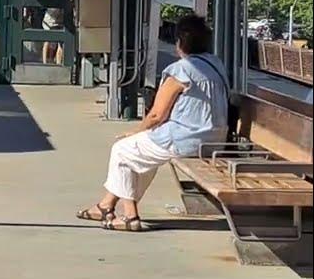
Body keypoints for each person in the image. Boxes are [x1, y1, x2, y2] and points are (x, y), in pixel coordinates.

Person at [76, 15, 227, 232]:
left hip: (186, 139)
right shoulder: (216, 65)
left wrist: (135, 131)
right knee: (141, 156)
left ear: (180, 43)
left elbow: (157, 115)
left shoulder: (181, 71)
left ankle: (130, 217)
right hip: (214, 139)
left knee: (122, 150)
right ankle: (106, 205)